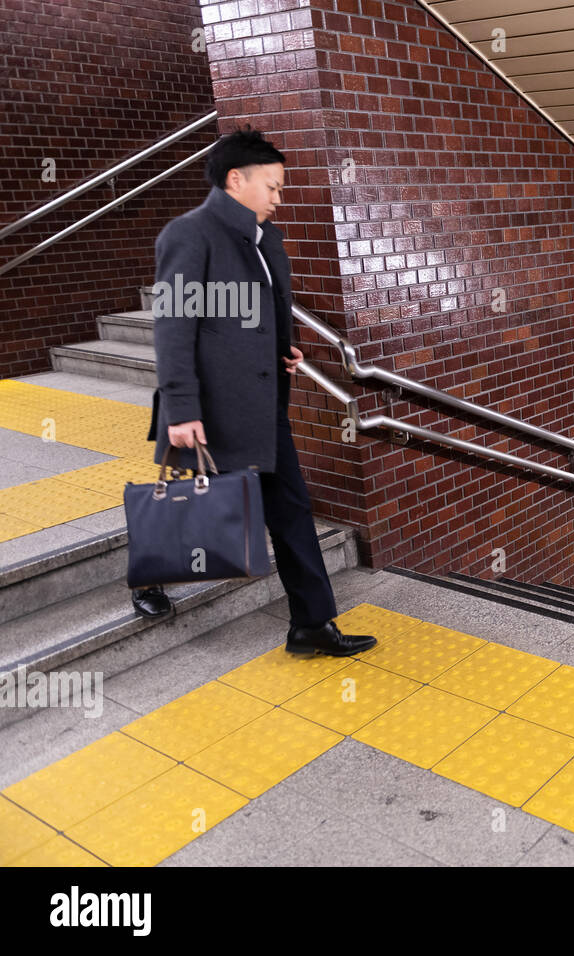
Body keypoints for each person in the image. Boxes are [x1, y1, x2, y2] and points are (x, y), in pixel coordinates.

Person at [131, 126, 375, 657]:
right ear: (235, 179)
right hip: (208, 408)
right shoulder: (189, 234)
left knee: (291, 510)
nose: (278, 198)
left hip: (263, 405)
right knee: (180, 502)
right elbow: (174, 327)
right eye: (272, 187)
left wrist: (282, 351)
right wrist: (180, 407)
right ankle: (148, 579)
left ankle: (312, 625)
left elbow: (259, 311)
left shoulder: (265, 238)